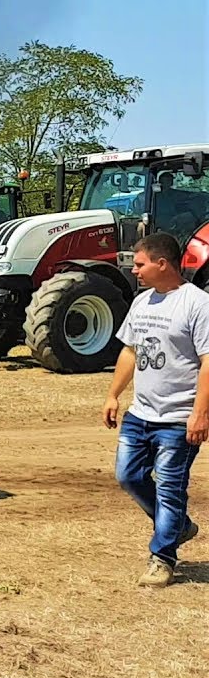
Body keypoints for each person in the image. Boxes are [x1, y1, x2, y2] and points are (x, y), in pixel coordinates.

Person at [103, 232, 207, 587]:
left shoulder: (197, 304)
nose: (134, 269)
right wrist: (113, 395)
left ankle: (162, 557)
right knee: (128, 477)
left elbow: (208, 361)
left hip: (178, 419)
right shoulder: (142, 302)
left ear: (162, 263)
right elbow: (130, 351)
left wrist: (200, 413)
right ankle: (179, 526)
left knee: (169, 488)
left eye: (140, 263)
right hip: (140, 414)